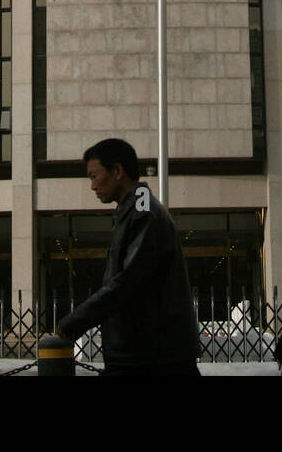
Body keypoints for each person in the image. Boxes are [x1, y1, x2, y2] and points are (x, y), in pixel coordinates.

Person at [56, 138, 201, 376]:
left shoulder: (143, 213)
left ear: (117, 171)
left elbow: (128, 280)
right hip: (147, 353)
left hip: (151, 357)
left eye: (94, 176)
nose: (92, 186)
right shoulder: (134, 210)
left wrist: (74, 322)